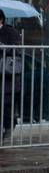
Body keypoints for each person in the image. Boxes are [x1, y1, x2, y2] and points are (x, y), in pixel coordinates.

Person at [0, 9, 21, 141]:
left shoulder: (11, 32)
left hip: (7, 77)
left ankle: (9, 126)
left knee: (5, 105)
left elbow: (17, 49)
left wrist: (2, 47)